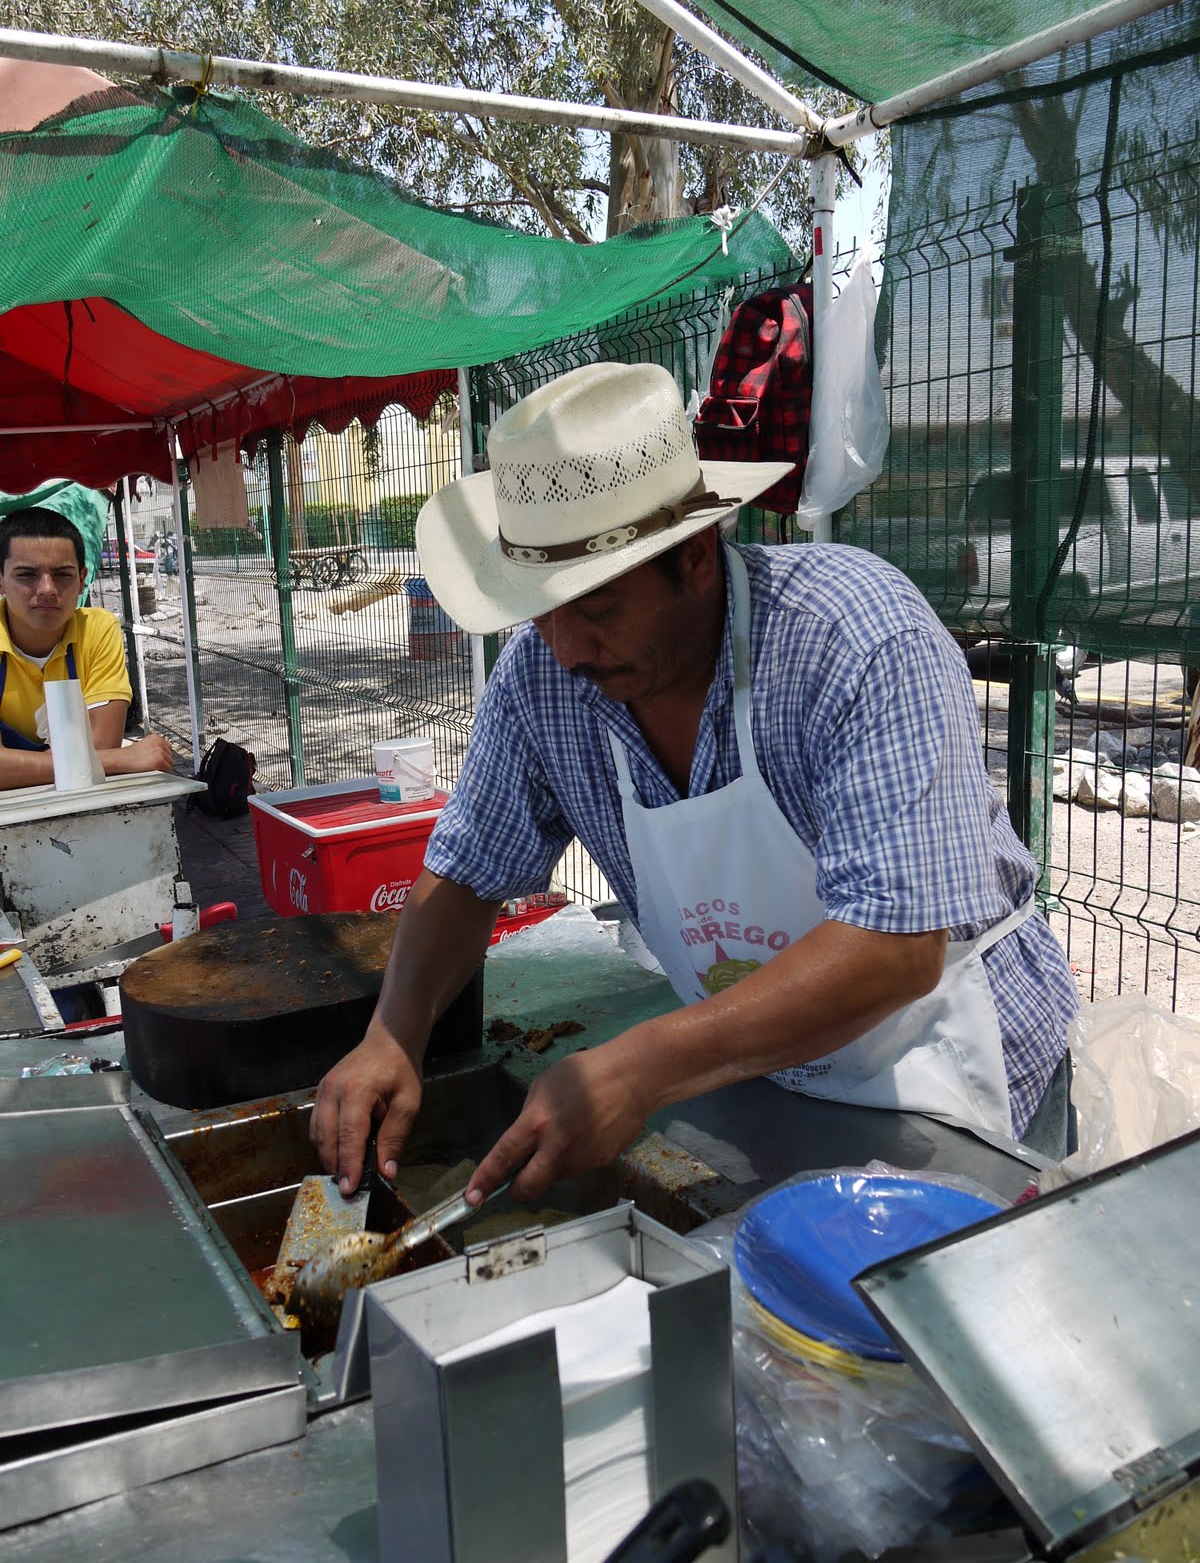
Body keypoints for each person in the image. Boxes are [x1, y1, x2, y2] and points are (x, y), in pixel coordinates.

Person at [311, 362, 1079, 1206]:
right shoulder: (544, 679)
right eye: (540, 608)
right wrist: (395, 1031)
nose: (564, 646)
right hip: (756, 1069)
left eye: (595, 608)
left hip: (941, 1081)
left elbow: (894, 948)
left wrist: (642, 1066)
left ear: (696, 559)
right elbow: (466, 872)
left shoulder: (851, 641)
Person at [0, 507, 175, 788]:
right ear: (1, 580)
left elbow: (104, 741)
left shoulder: (97, 630)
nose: (47, 588)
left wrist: (15, 766)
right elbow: (102, 756)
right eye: (27, 575)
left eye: (62, 574)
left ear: (82, 579)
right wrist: (118, 760)